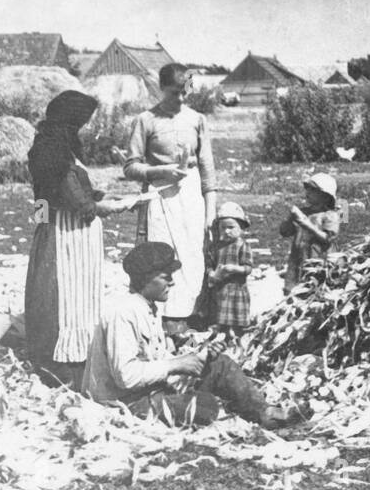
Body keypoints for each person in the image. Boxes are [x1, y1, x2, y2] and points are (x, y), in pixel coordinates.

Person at [82, 242, 306, 429]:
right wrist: (177, 365)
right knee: (206, 406)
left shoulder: (147, 307)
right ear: (145, 279)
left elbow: (157, 359)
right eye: (165, 276)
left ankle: (265, 412)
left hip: (150, 390)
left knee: (220, 365)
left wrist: (198, 357)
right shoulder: (123, 312)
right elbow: (126, 377)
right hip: (124, 403)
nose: (172, 281)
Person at [24, 90, 134, 389]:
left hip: (60, 229)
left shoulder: (49, 147)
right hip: (69, 234)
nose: (83, 129)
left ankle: (68, 356)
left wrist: (101, 196)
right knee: (70, 297)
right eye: (81, 122)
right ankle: (68, 362)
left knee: (63, 293)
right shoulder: (55, 153)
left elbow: (50, 197)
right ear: (71, 121)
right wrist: (107, 207)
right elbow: (74, 202)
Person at [123, 63, 217, 337]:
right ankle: (162, 318)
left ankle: (188, 315)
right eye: (174, 93)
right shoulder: (146, 120)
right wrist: (159, 171)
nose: (180, 98)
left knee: (193, 255)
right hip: (160, 196)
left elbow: (207, 168)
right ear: (161, 89)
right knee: (161, 254)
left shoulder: (197, 120)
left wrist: (210, 209)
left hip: (191, 196)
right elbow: (130, 166)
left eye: (184, 93)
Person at [279, 173, 340, 290]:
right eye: (307, 189)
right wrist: (290, 218)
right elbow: (284, 232)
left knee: (314, 288)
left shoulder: (330, 215)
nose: (308, 192)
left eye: (313, 190)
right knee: (294, 290)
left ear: (326, 196)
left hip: (318, 259)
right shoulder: (303, 212)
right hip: (299, 258)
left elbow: (328, 238)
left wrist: (306, 224)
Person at [206, 201, 253, 340]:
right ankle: (220, 339)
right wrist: (213, 274)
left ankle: (236, 341)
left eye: (231, 227)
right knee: (219, 321)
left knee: (235, 322)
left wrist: (234, 268)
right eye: (223, 228)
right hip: (220, 290)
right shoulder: (217, 247)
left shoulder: (242, 246)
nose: (227, 231)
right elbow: (210, 265)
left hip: (236, 290)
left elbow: (248, 268)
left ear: (241, 228)